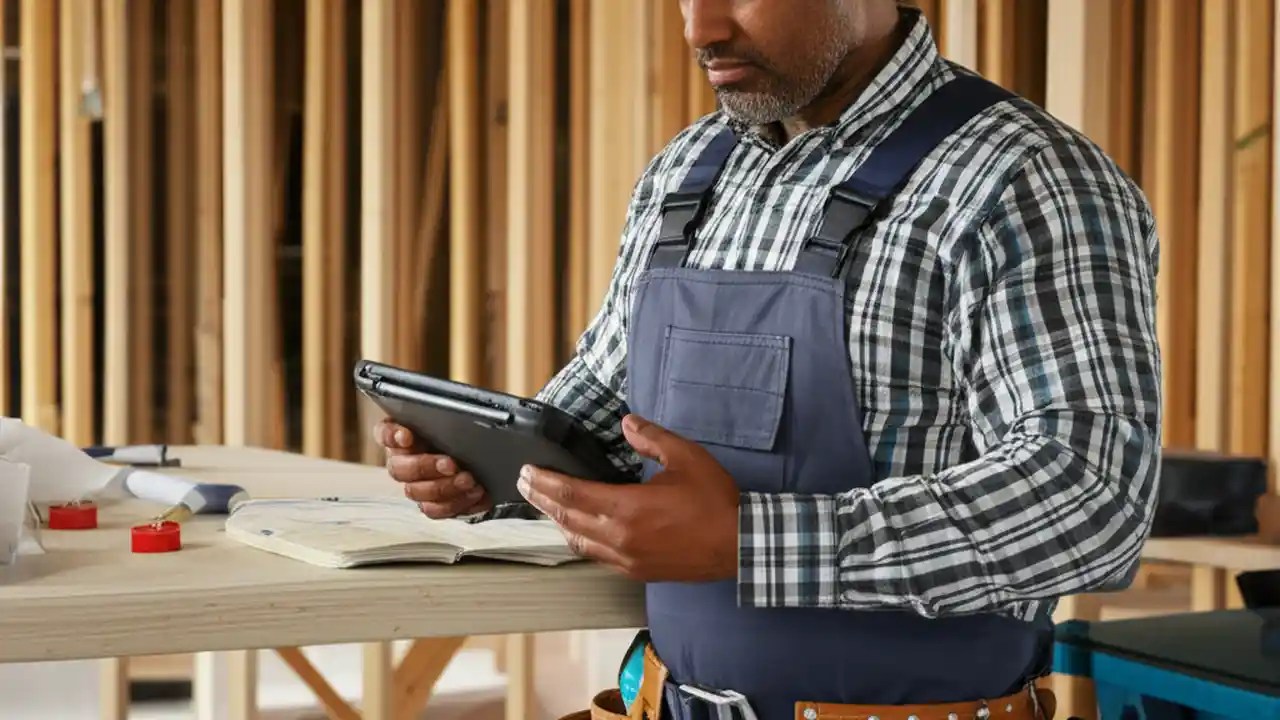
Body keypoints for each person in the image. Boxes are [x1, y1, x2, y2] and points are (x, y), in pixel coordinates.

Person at [375, 1, 1162, 718]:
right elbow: (604, 413)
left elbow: (1093, 500)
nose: (701, 29)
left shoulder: (1023, 180)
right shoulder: (688, 169)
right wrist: (496, 468)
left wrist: (748, 542)